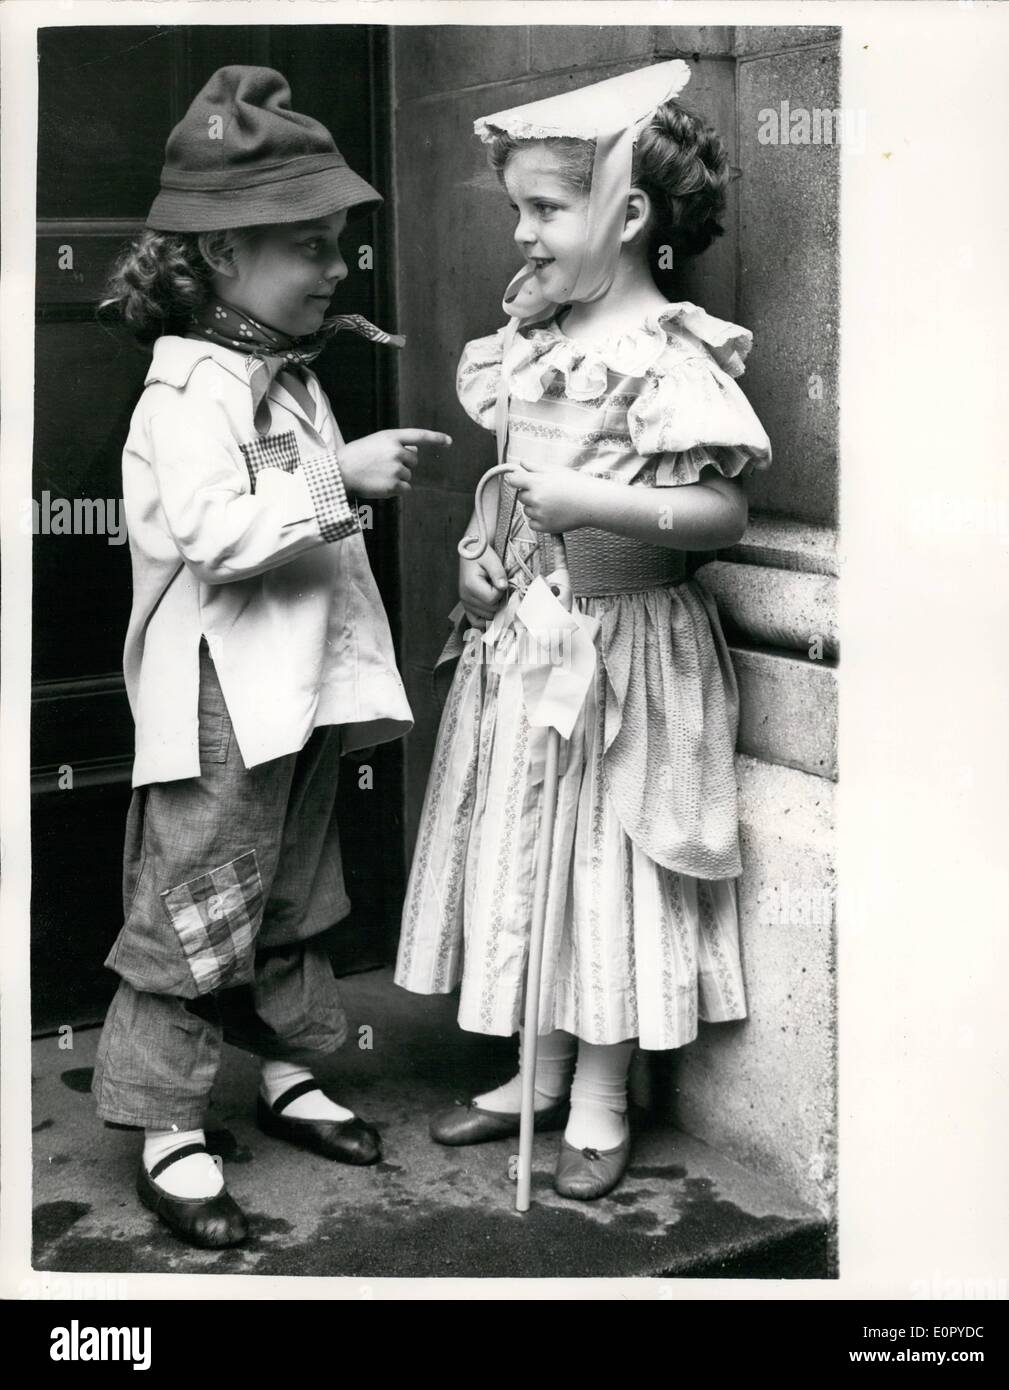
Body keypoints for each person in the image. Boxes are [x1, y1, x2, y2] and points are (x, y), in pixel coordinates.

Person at [394, 61, 772, 1200]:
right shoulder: (527, 343)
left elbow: (722, 512)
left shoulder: (666, 352)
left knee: (601, 863)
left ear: (631, 214)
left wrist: (597, 504)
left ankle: (600, 1093)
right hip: (527, 638)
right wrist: (483, 559)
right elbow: (514, 492)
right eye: (515, 208)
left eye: (545, 209)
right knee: (528, 854)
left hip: (625, 647)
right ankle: (534, 1070)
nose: (521, 232)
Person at [92, 65, 450, 1248]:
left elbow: (303, 542)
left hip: (287, 693)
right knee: (198, 897)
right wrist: (335, 479)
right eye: (308, 247)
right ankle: (162, 1127)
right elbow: (214, 529)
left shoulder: (280, 375)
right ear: (222, 257)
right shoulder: (183, 391)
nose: (335, 269)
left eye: (338, 243)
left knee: (291, 887)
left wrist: (328, 485)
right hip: (217, 701)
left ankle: (286, 1069)